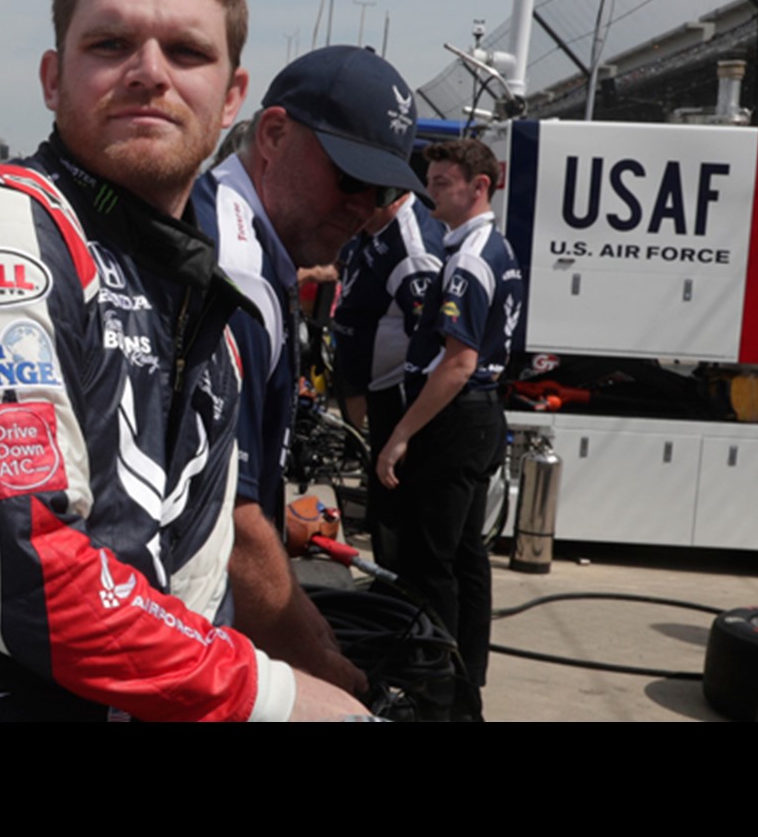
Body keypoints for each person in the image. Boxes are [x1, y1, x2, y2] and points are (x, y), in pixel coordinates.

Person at [0, 0, 366, 721]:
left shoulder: (205, 306)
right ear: (53, 80)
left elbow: (197, 584)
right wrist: (279, 694)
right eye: (110, 44)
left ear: (231, 99)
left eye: (186, 52)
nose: (149, 72)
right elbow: (27, 569)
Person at [192, 45, 427, 696]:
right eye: (350, 178)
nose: (366, 206)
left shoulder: (252, 241)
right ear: (272, 134)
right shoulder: (232, 264)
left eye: (384, 191)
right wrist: (325, 670)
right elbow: (224, 520)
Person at [375, 138, 523, 720]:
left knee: (429, 562)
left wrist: (401, 434)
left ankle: (438, 695)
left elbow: (458, 363)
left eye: (440, 183)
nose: (429, 192)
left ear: (477, 186)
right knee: (465, 558)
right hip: (480, 415)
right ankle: (464, 689)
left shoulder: (466, 261)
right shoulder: (493, 246)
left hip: (455, 418)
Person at [333, 192, 444, 572]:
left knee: (397, 518)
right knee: (382, 512)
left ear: (391, 197)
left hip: (401, 400)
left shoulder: (412, 251)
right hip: (378, 392)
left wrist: (405, 432)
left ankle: (401, 601)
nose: (355, 207)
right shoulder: (375, 226)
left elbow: (432, 347)